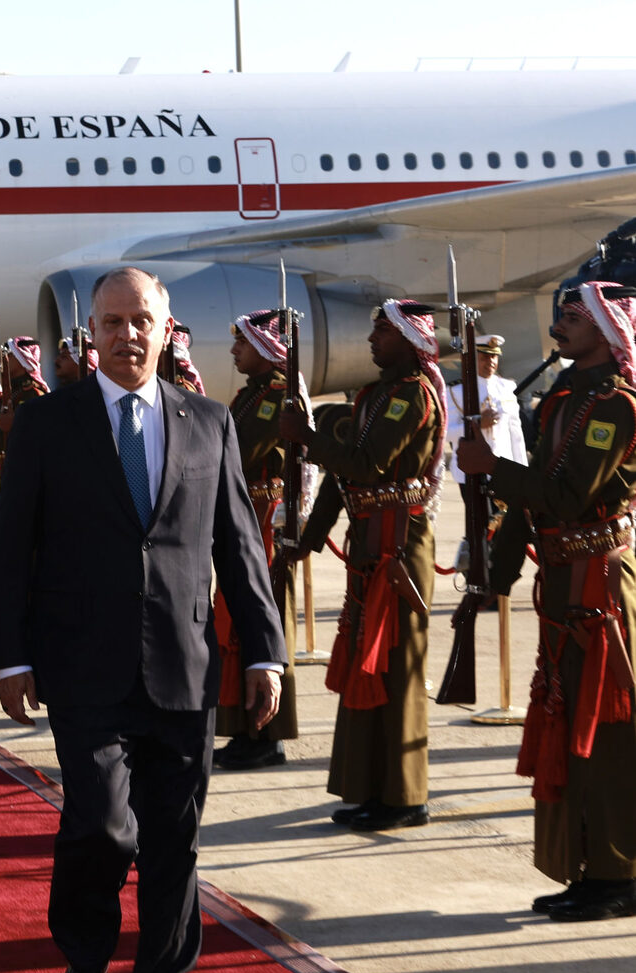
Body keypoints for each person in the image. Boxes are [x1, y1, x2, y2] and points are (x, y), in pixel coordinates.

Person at [0, 266, 284, 973]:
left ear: (165, 327)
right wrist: (8, 656)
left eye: (140, 321)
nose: (126, 336)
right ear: (90, 333)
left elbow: (240, 548)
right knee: (103, 829)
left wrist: (266, 652)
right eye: (111, 322)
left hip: (183, 669)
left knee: (173, 843)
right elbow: (11, 549)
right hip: (81, 669)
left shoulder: (208, 422)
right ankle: (84, 965)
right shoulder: (49, 425)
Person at [469, 282, 636, 921]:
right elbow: (537, 500)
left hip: (599, 586)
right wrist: (496, 574)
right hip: (564, 582)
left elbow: (565, 497)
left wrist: (491, 467)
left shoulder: (614, 406)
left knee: (608, 734)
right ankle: (585, 869)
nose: (560, 326)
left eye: (575, 317)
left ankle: (617, 875)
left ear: (605, 328)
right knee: (569, 730)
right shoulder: (568, 396)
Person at [282, 299, 446, 833]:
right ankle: (373, 788)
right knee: (364, 664)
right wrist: (308, 540)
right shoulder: (376, 396)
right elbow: (342, 480)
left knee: (397, 668)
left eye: (383, 332)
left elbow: (366, 463)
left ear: (408, 339)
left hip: (400, 544)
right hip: (369, 541)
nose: (372, 341)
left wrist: (308, 439)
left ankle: (404, 796)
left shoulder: (413, 396)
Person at [213, 310, 308, 770]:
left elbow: (244, 449)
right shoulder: (251, 395)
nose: (234, 351)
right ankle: (245, 730)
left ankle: (266, 736)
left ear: (266, 349)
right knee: (235, 621)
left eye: (242, 344)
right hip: (247, 515)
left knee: (260, 622)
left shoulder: (275, 397)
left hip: (265, 521)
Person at [446, 333, 526, 571]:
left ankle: (496, 582)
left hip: (502, 469)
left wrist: (522, 471)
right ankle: (478, 579)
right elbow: (447, 434)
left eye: (493, 358)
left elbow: (516, 434)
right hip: (470, 472)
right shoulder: (457, 393)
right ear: (473, 360)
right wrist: (478, 424)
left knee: (504, 527)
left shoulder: (506, 388)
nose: (489, 362)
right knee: (479, 527)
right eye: (484, 357)